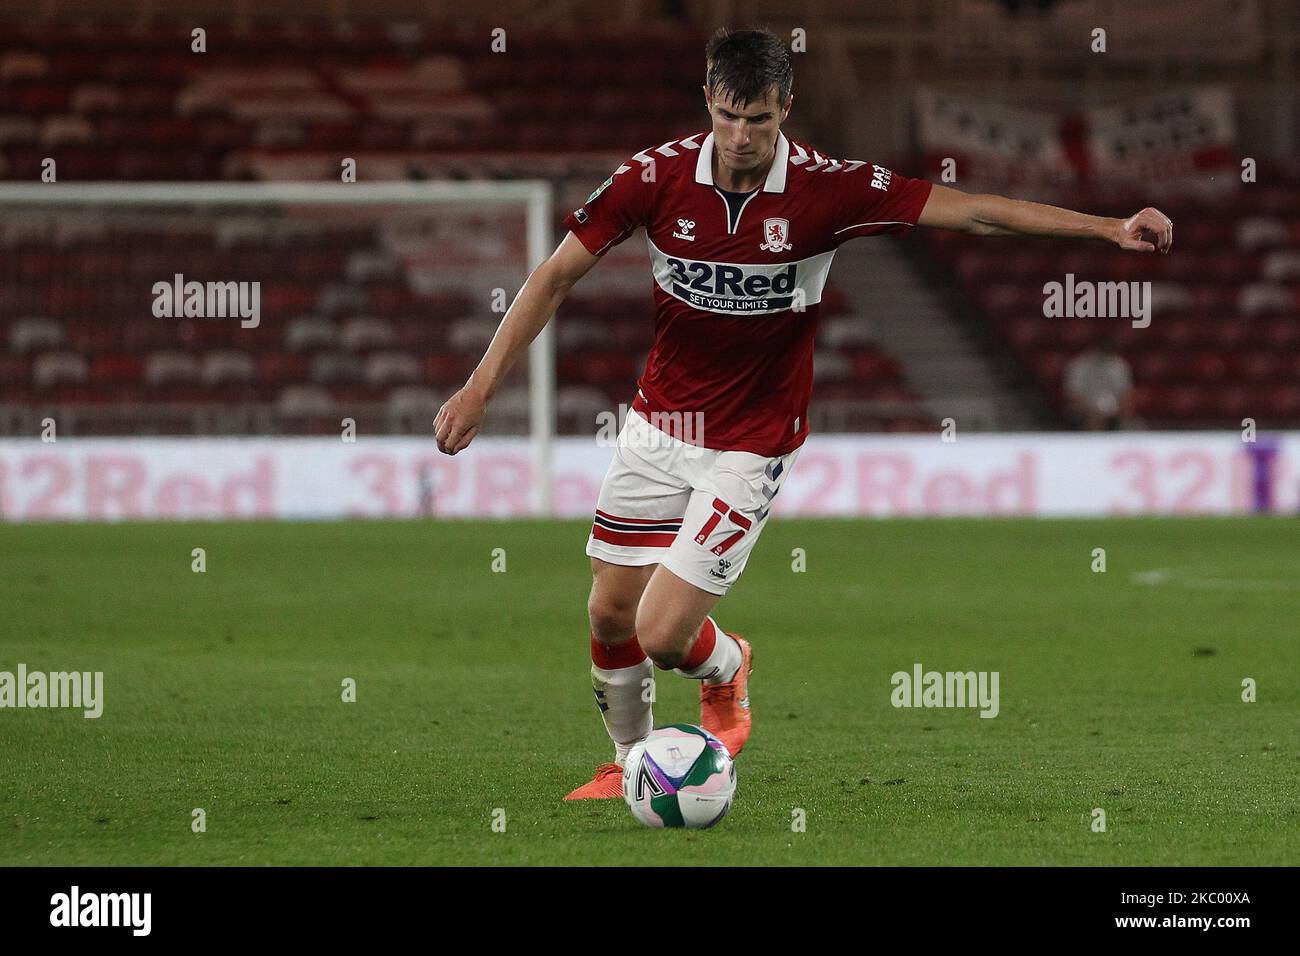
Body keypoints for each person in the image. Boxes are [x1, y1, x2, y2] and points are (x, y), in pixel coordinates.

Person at [433, 28, 1173, 799]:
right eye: (728, 116)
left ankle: (728, 665)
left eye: (759, 118)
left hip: (752, 443)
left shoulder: (831, 188)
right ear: (708, 103)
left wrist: (1106, 228)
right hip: (660, 426)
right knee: (609, 612)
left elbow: (977, 213)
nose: (742, 135)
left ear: (787, 107)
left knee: (661, 636)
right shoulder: (651, 179)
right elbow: (552, 278)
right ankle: (630, 765)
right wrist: (481, 386)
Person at [1063, 337, 1136, 430]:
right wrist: (1092, 411)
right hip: (1084, 409)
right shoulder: (1079, 365)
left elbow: (1126, 394)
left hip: (1113, 409)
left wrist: (1125, 416)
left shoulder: (1119, 365)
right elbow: (1073, 395)